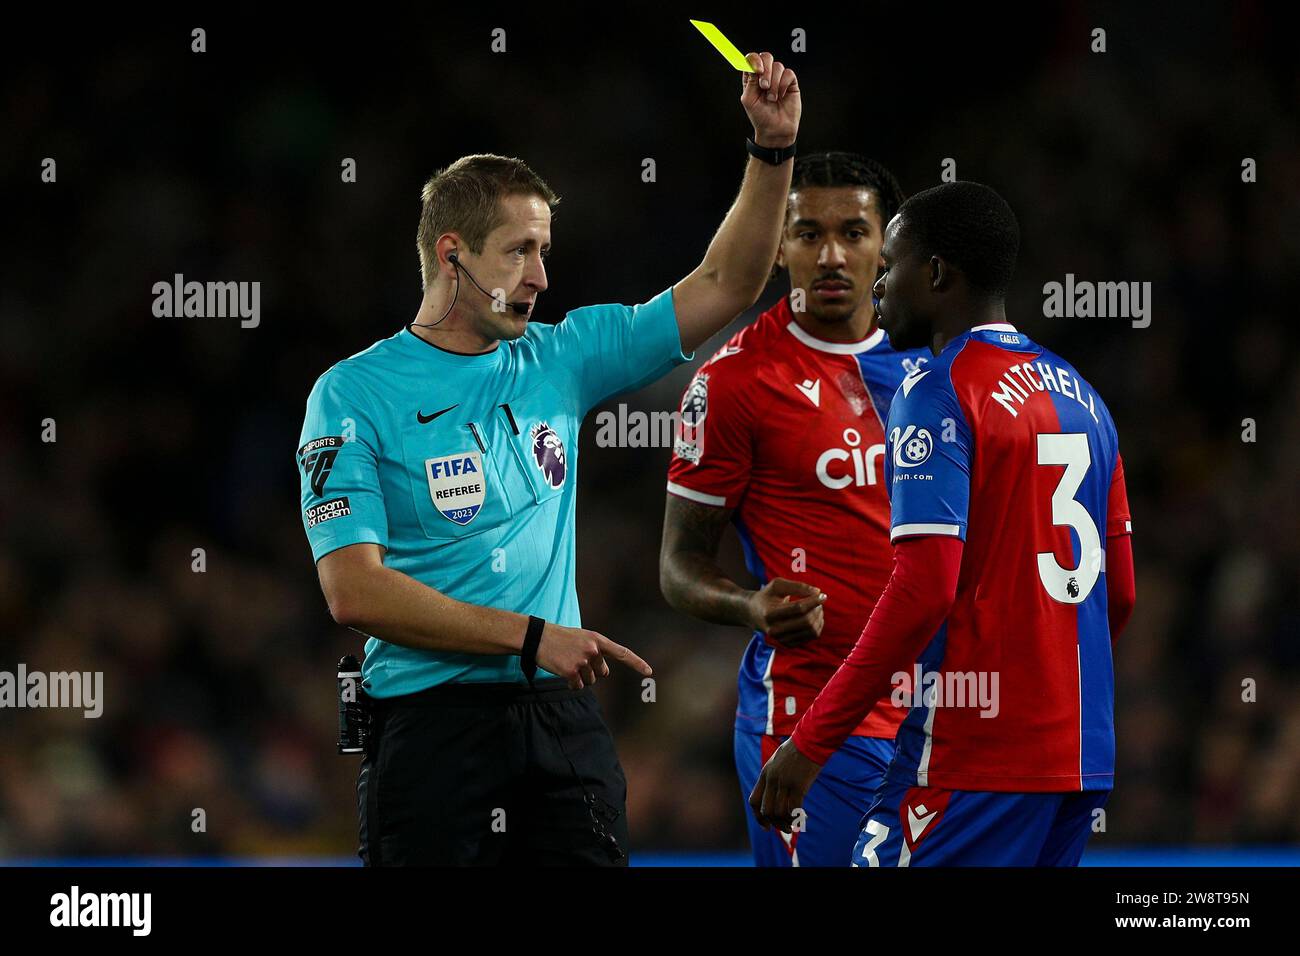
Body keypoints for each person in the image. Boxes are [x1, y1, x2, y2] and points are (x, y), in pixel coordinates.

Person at [297, 51, 801, 865]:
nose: (541, 273)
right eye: (519, 251)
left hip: (558, 723)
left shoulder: (559, 358)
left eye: (544, 249)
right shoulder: (354, 394)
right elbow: (352, 590)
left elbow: (728, 283)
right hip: (431, 730)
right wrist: (530, 636)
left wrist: (771, 151)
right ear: (452, 252)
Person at [749, 181, 1136, 866]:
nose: (878, 289)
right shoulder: (1086, 396)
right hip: (1081, 756)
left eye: (890, 266)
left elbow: (923, 591)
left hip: (973, 756)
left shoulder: (936, 390)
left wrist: (809, 742)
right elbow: (1121, 594)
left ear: (934, 275)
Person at [659, 152, 931, 866]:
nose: (832, 255)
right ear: (779, 247)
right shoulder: (733, 382)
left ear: (888, 245)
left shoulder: (938, 370)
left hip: (945, 717)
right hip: (811, 721)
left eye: (854, 232)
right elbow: (678, 565)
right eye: (808, 234)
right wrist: (751, 607)